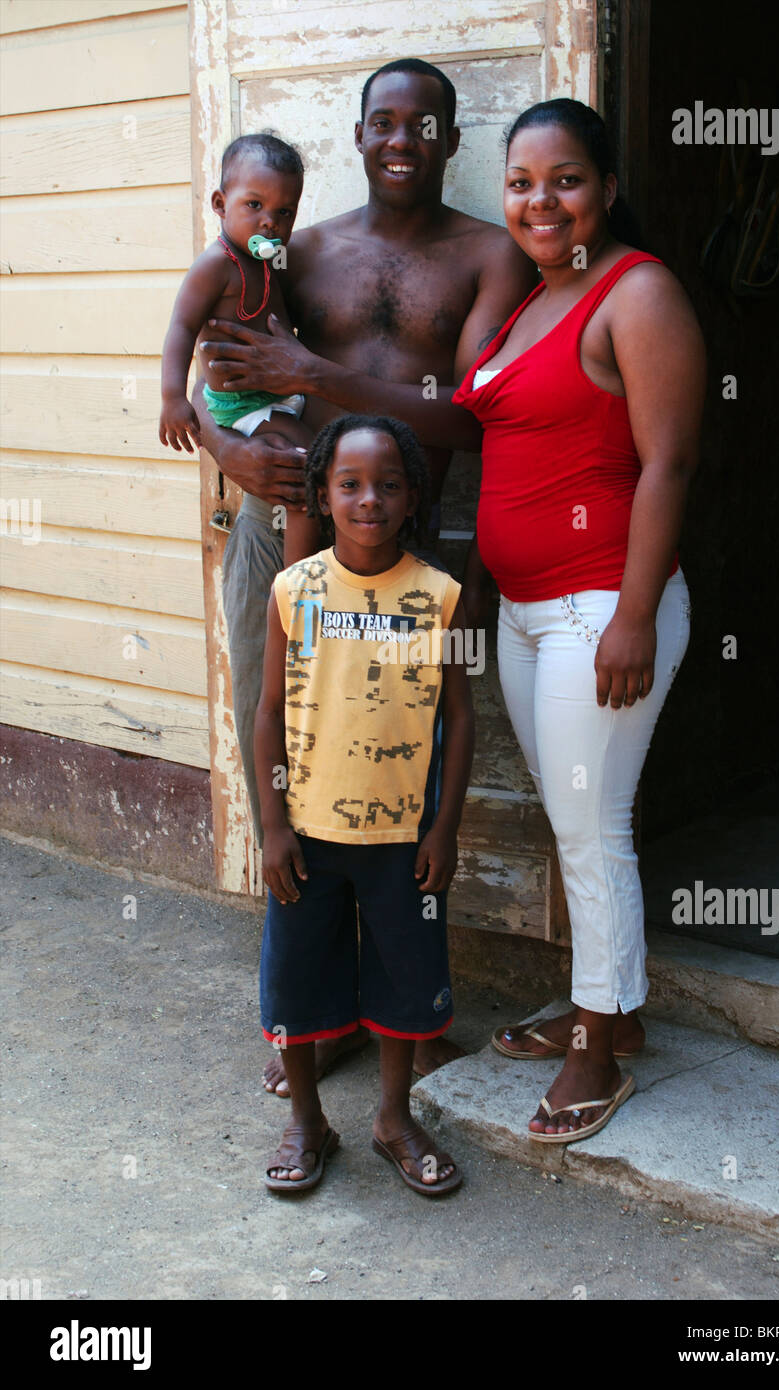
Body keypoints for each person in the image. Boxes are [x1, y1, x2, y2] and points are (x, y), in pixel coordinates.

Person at [195, 58, 536, 1087]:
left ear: (448, 139)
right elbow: (212, 361)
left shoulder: (488, 258)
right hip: (284, 530)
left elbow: (472, 418)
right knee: (289, 744)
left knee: (407, 757)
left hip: (410, 547)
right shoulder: (294, 249)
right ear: (355, 135)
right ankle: (309, 1014)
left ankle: (401, 1005)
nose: (401, 141)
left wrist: (315, 376)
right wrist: (229, 455)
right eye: (383, 124)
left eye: (423, 126)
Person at [453, 99, 706, 1142]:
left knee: (590, 827)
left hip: (600, 605)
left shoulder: (633, 291)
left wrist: (633, 615)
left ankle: (596, 1054)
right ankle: (608, 1006)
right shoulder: (532, 299)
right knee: (577, 825)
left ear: (603, 187)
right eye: (519, 182)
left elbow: (668, 461)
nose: (538, 199)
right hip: (524, 615)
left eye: (563, 179)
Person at [255, 415, 474, 1193]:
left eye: (387, 484)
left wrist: (443, 827)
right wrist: (273, 825)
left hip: (400, 836)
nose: (368, 499)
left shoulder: (437, 595)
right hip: (308, 834)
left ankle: (392, 1117)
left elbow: (457, 718)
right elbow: (268, 712)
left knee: (404, 981)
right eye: (348, 484)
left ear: (411, 498)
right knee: (294, 981)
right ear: (323, 494)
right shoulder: (296, 589)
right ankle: (307, 1122)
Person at [159, 132, 319, 569]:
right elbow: (180, 328)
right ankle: (298, 581)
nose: (270, 221)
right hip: (243, 402)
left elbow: (279, 322)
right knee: (309, 465)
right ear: (219, 203)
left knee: (322, 461)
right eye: (255, 206)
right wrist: (173, 397)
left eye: (284, 212)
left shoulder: (266, 262)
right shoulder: (216, 264)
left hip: (276, 395)